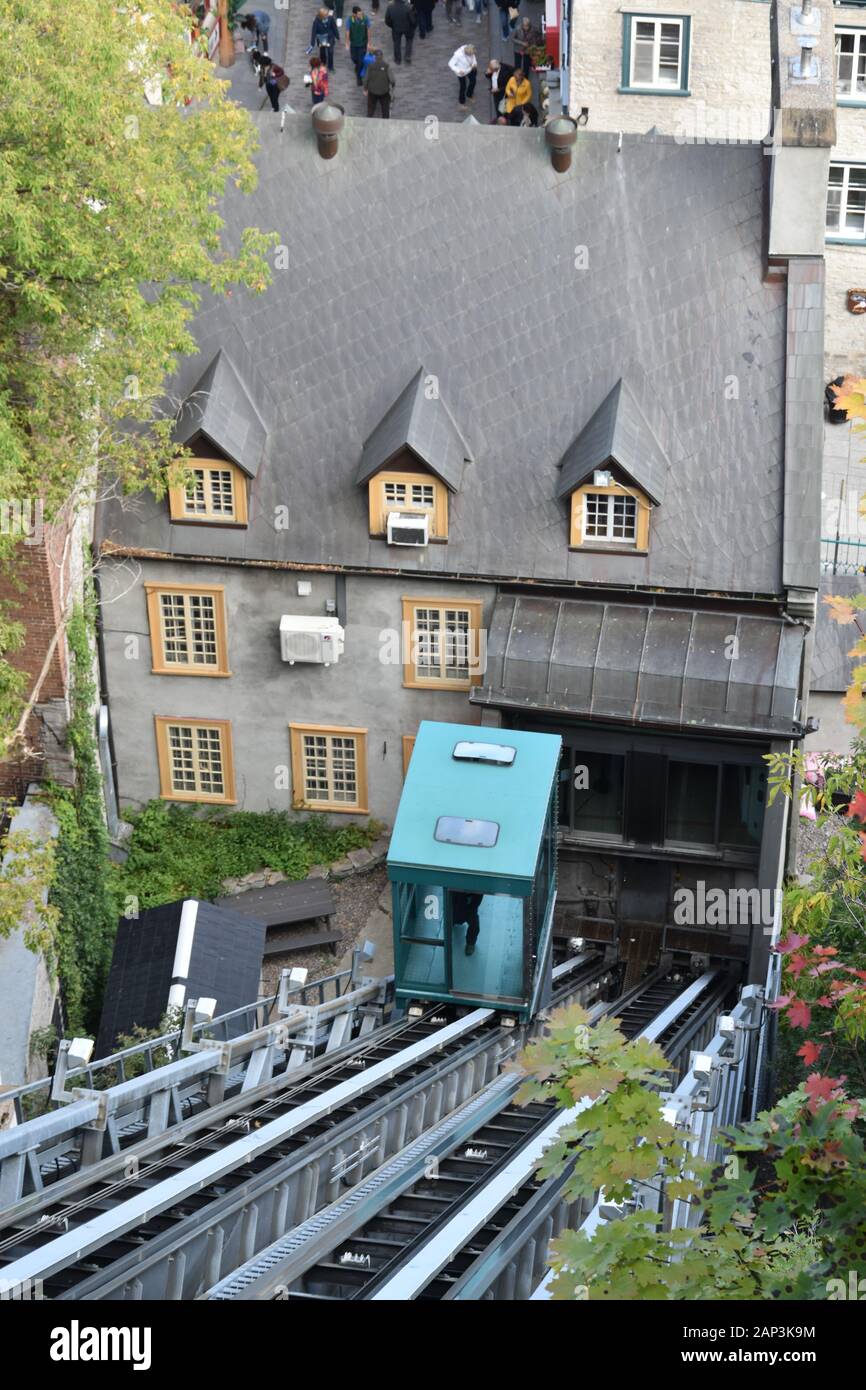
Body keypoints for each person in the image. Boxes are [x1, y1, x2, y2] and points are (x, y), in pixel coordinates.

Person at [385, 0, 417, 65]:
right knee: (409, 40)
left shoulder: (390, 7)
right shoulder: (408, 7)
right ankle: (407, 56)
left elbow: (387, 20)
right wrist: (413, 27)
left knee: (396, 43)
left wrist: (392, 26)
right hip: (408, 28)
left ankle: (398, 59)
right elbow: (413, 20)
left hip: (396, 28)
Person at [452, 891, 483, 957]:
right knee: (453, 913)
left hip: (472, 898)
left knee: (473, 921)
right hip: (457, 896)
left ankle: (471, 943)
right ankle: (453, 921)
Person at [364, 49, 395, 117]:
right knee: (385, 110)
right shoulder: (387, 66)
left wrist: (365, 89)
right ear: (382, 56)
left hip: (372, 92)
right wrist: (392, 86)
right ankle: (385, 122)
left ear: (374, 57)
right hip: (384, 92)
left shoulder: (370, 66)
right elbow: (392, 80)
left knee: (370, 110)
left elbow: (366, 79)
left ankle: (368, 120)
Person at [345, 5, 372, 83]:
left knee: (360, 60)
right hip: (354, 43)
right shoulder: (350, 20)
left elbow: (368, 30)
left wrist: (369, 42)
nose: (360, 15)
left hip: (363, 43)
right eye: (359, 14)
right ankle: (358, 65)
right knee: (354, 58)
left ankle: (359, 77)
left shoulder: (365, 18)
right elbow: (347, 32)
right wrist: (347, 43)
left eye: (361, 13)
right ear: (354, 14)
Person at [449, 42, 477, 108]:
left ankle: (469, 95)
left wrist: (474, 63)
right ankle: (461, 103)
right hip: (462, 72)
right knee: (463, 87)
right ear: (467, 53)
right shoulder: (457, 55)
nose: (472, 55)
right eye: (470, 54)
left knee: (473, 81)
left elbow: (473, 57)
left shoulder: (470, 50)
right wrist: (458, 70)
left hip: (470, 69)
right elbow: (450, 63)